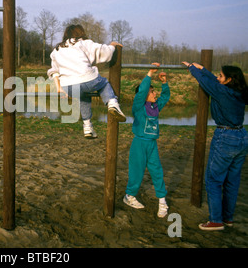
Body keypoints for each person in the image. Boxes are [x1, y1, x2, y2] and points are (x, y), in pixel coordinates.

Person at [182, 62, 248, 231]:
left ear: (229, 79)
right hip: (241, 136)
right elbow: (214, 82)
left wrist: (191, 68)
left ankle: (216, 221)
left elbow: (206, 83)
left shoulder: (222, 91)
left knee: (213, 179)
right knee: (232, 181)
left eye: (221, 75)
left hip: (225, 137)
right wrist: (204, 69)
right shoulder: (237, 91)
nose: (218, 77)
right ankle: (228, 218)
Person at [47, 24, 126, 138]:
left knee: (83, 96)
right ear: (80, 33)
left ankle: (87, 126)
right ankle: (112, 103)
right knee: (104, 84)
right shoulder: (83, 43)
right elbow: (106, 53)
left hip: (68, 87)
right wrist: (112, 46)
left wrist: (59, 87)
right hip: (87, 79)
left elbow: (54, 71)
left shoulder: (57, 50)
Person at [123, 63, 170, 218]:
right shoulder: (138, 107)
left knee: (157, 171)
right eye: (152, 91)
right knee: (136, 171)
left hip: (152, 145)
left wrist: (164, 82)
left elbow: (165, 96)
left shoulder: (155, 107)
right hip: (139, 144)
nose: (154, 93)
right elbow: (142, 91)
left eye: (154, 91)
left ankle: (162, 202)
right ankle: (129, 196)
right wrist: (149, 73)